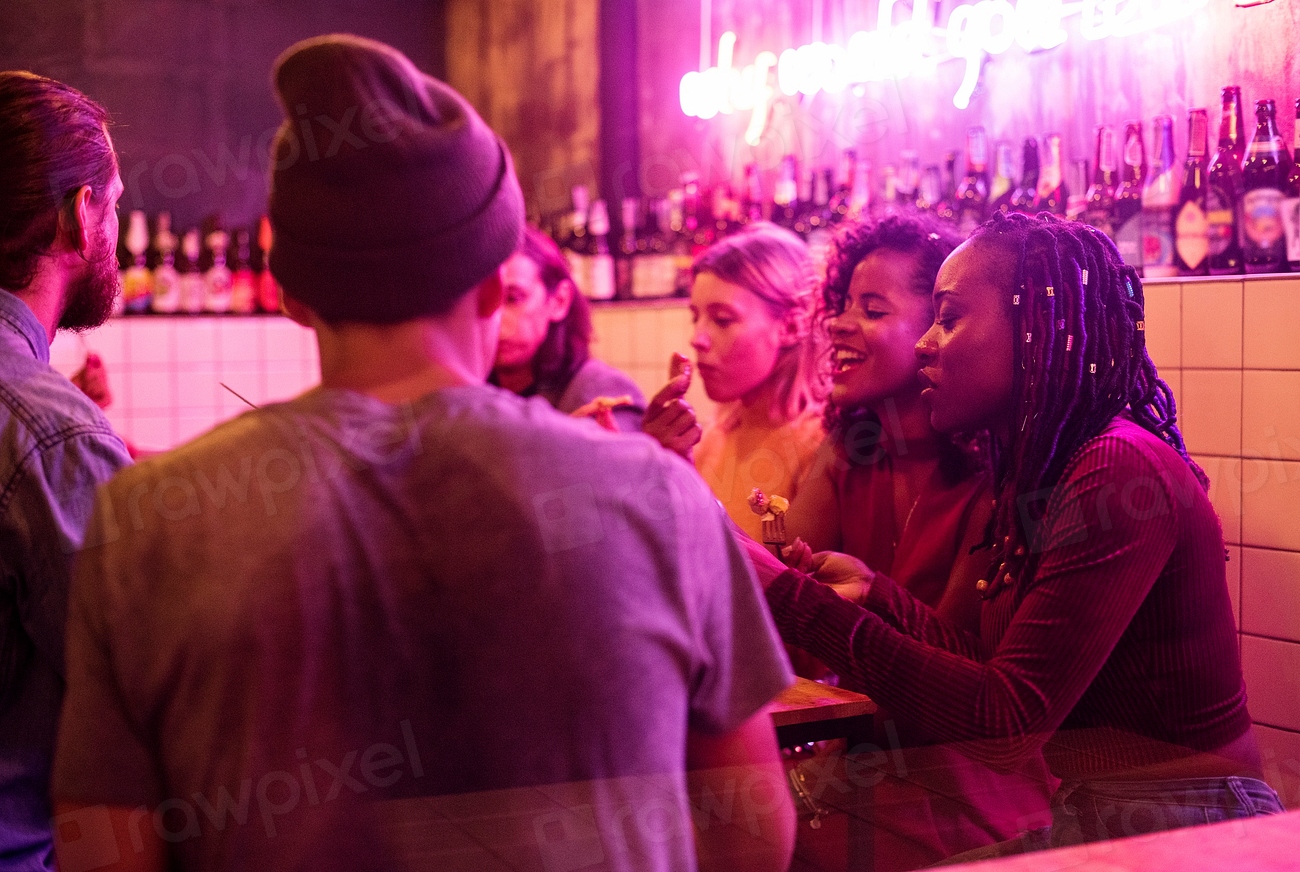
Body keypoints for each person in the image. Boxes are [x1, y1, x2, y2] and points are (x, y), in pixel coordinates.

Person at [50, 35, 795, 872]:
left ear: (291, 294)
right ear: (489, 280)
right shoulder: (659, 496)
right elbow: (753, 835)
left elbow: (104, 851)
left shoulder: (141, 525)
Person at [756, 211, 1281, 861]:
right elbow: (985, 663)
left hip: (1195, 821)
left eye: (947, 317)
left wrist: (790, 598)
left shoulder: (1116, 467)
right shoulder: (1041, 465)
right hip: (1102, 809)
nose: (926, 343)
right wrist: (874, 597)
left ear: (1034, 330)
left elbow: (1005, 724)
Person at [774, 214, 1052, 869]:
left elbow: (938, 682)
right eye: (841, 306)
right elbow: (777, 613)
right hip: (863, 780)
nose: (839, 325)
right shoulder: (853, 449)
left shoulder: (993, 475)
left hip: (971, 803)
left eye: (871, 310)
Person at [0, 71, 133, 870]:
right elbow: (141, 684)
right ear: (80, 216)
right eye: (113, 203)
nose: (117, 226)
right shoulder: (50, 434)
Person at [689, 222, 827, 540]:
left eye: (722, 320)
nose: (697, 339)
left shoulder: (821, 450)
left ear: (791, 326)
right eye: (695, 317)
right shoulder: (712, 439)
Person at [491, 226, 646, 431]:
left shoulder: (601, 393)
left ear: (559, 301)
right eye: (485, 300)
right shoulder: (467, 393)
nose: (495, 316)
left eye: (514, 298)